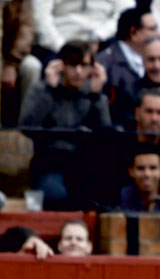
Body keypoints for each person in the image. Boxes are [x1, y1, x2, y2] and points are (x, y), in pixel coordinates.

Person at [19, 40, 111, 211]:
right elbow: (28, 127)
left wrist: (96, 97)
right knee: (56, 196)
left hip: (86, 166)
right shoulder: (42, 90)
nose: (78, 71)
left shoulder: (95, 95)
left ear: (92, 68)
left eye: (83, 65)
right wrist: (50, 91)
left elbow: (105, 136)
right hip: (50, 164)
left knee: (101, 196)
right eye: (72, 64)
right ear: (61, 66)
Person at [96, 7, 159, 94]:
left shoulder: (157, 58)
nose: (158, 34)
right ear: (133, 33)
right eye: (152, 29)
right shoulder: (105, 64)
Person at [119, 144, 160, 213]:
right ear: (131, 171)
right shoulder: (118, 203)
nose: (147, 174)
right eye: (140, 168)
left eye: (153, 168)